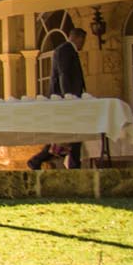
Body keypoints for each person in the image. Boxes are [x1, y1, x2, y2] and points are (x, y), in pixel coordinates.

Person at [29, 27, 88, 169]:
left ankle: (40, 161)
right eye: (83, 40)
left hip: (69, 100)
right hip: (65, 100)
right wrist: (68, 97)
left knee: (69, 135)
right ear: (78, 38)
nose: (83, 44)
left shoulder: (68, 50)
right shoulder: (65, 50)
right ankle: (71, 165)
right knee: (71, 134)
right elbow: (63, 74)